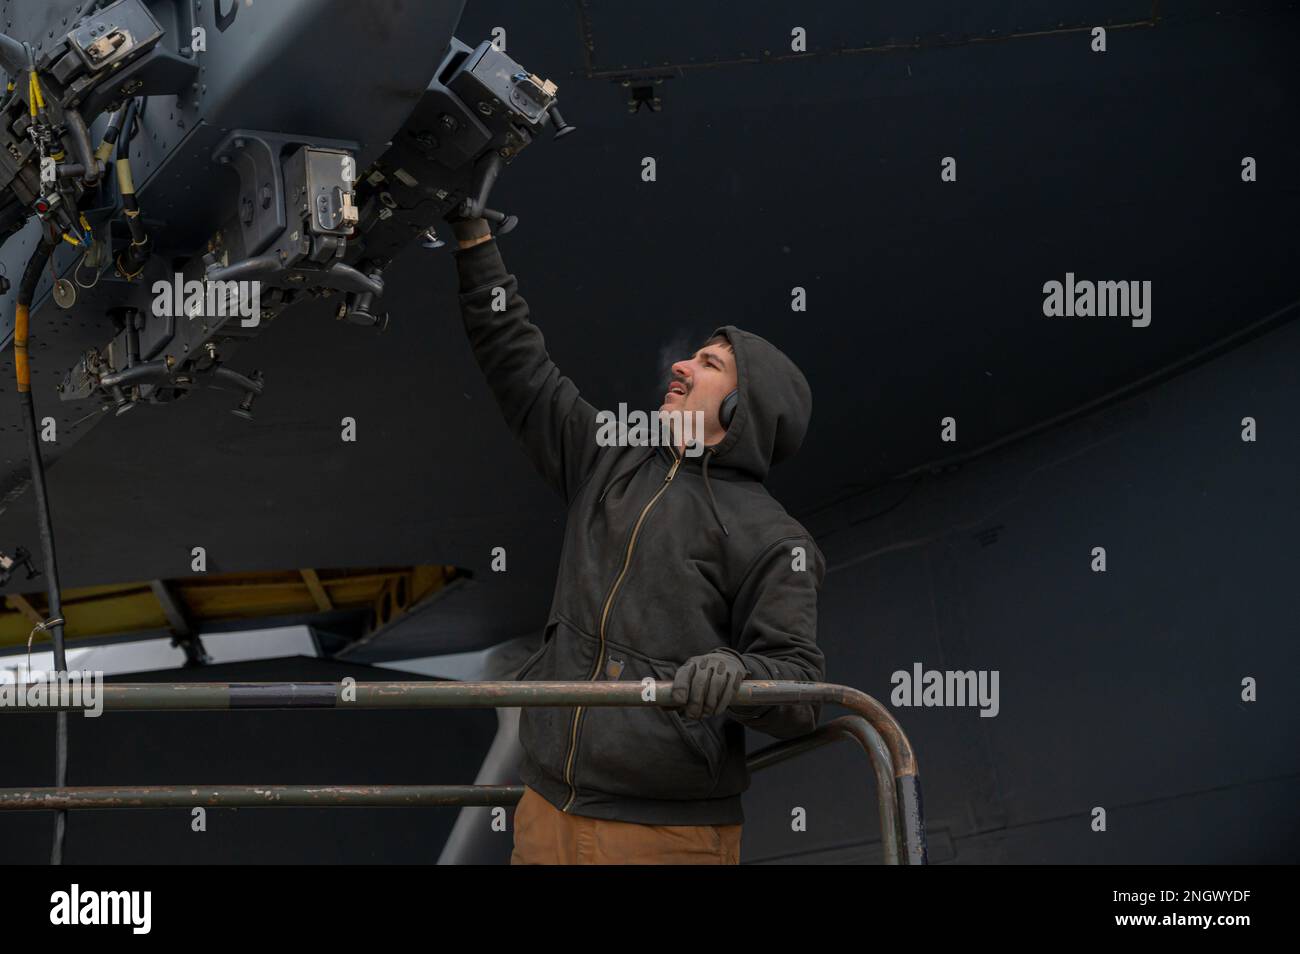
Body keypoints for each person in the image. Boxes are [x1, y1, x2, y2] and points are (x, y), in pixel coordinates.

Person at [449, 215, 827, 865]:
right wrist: (474, 245)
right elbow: (519, 363)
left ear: (740, 414)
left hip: (665, 839)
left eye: (707, 364)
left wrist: (737, 674)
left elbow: (798, 690)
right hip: (545, 813)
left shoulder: (774, 539)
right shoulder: (609, 459)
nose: (680, 365)